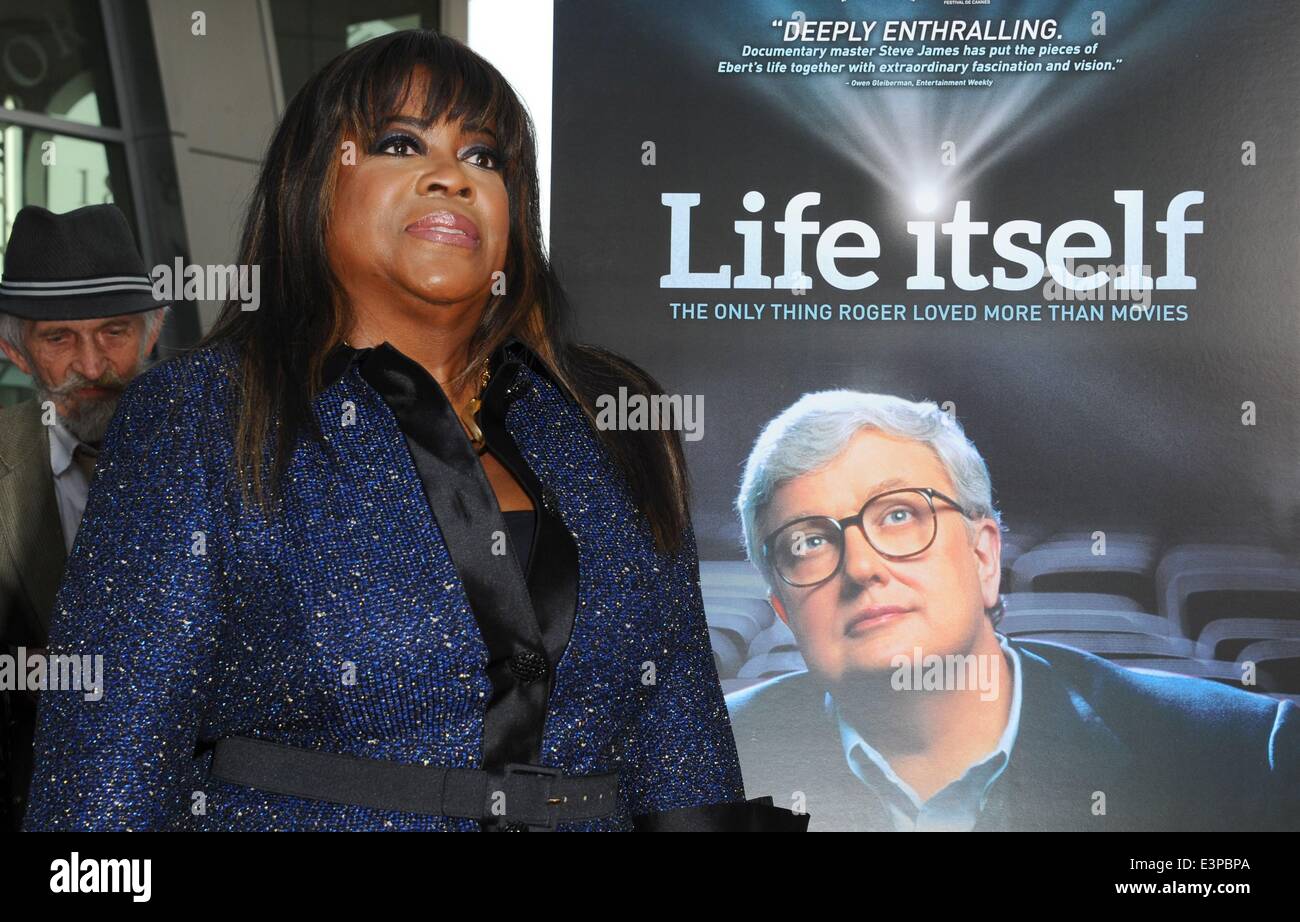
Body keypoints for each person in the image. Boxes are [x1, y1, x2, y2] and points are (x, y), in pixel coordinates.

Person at [21, 30, 804, 832]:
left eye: (486, 157)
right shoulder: (201, 416)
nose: (451, 177)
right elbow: (100, 787)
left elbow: (682, 746)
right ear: (315, 183)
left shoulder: (612, 419)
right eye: (401, 143)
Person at [726, 389, 1300, 831]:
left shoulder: (1244, 754)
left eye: (899, 515)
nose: (861, 567)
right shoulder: (693, 771)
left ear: (983, 558)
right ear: (783, 608)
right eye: (808, 542)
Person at [0, 204, 168, 830]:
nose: (92, 367)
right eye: (59, 338)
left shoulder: (221, 451)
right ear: (15, 351)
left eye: (115, 332)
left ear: (151, 334)